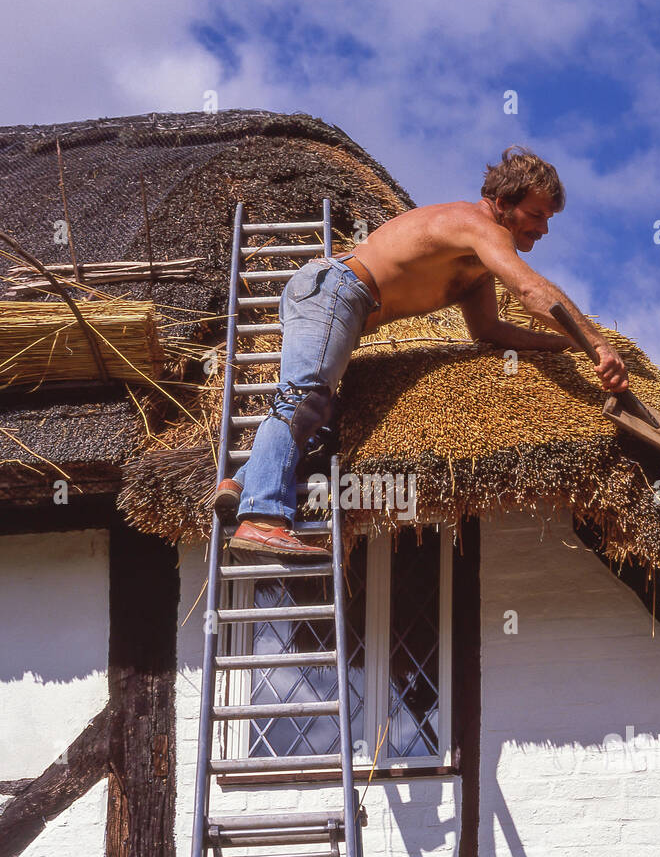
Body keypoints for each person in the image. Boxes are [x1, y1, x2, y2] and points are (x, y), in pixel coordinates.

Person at [211, 145, 629, 559]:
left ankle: (243, 481)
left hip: (343, 303)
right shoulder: (477, 224)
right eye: (537, 215)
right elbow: (529, 290)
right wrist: (597, 345)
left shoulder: (475, 264)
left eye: (549, 219)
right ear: (503, 203)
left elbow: (488, 330)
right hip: (335, 291)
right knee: (305, 399)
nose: (544, 230)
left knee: (317, 421)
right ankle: (262, 518)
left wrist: (567, 344)